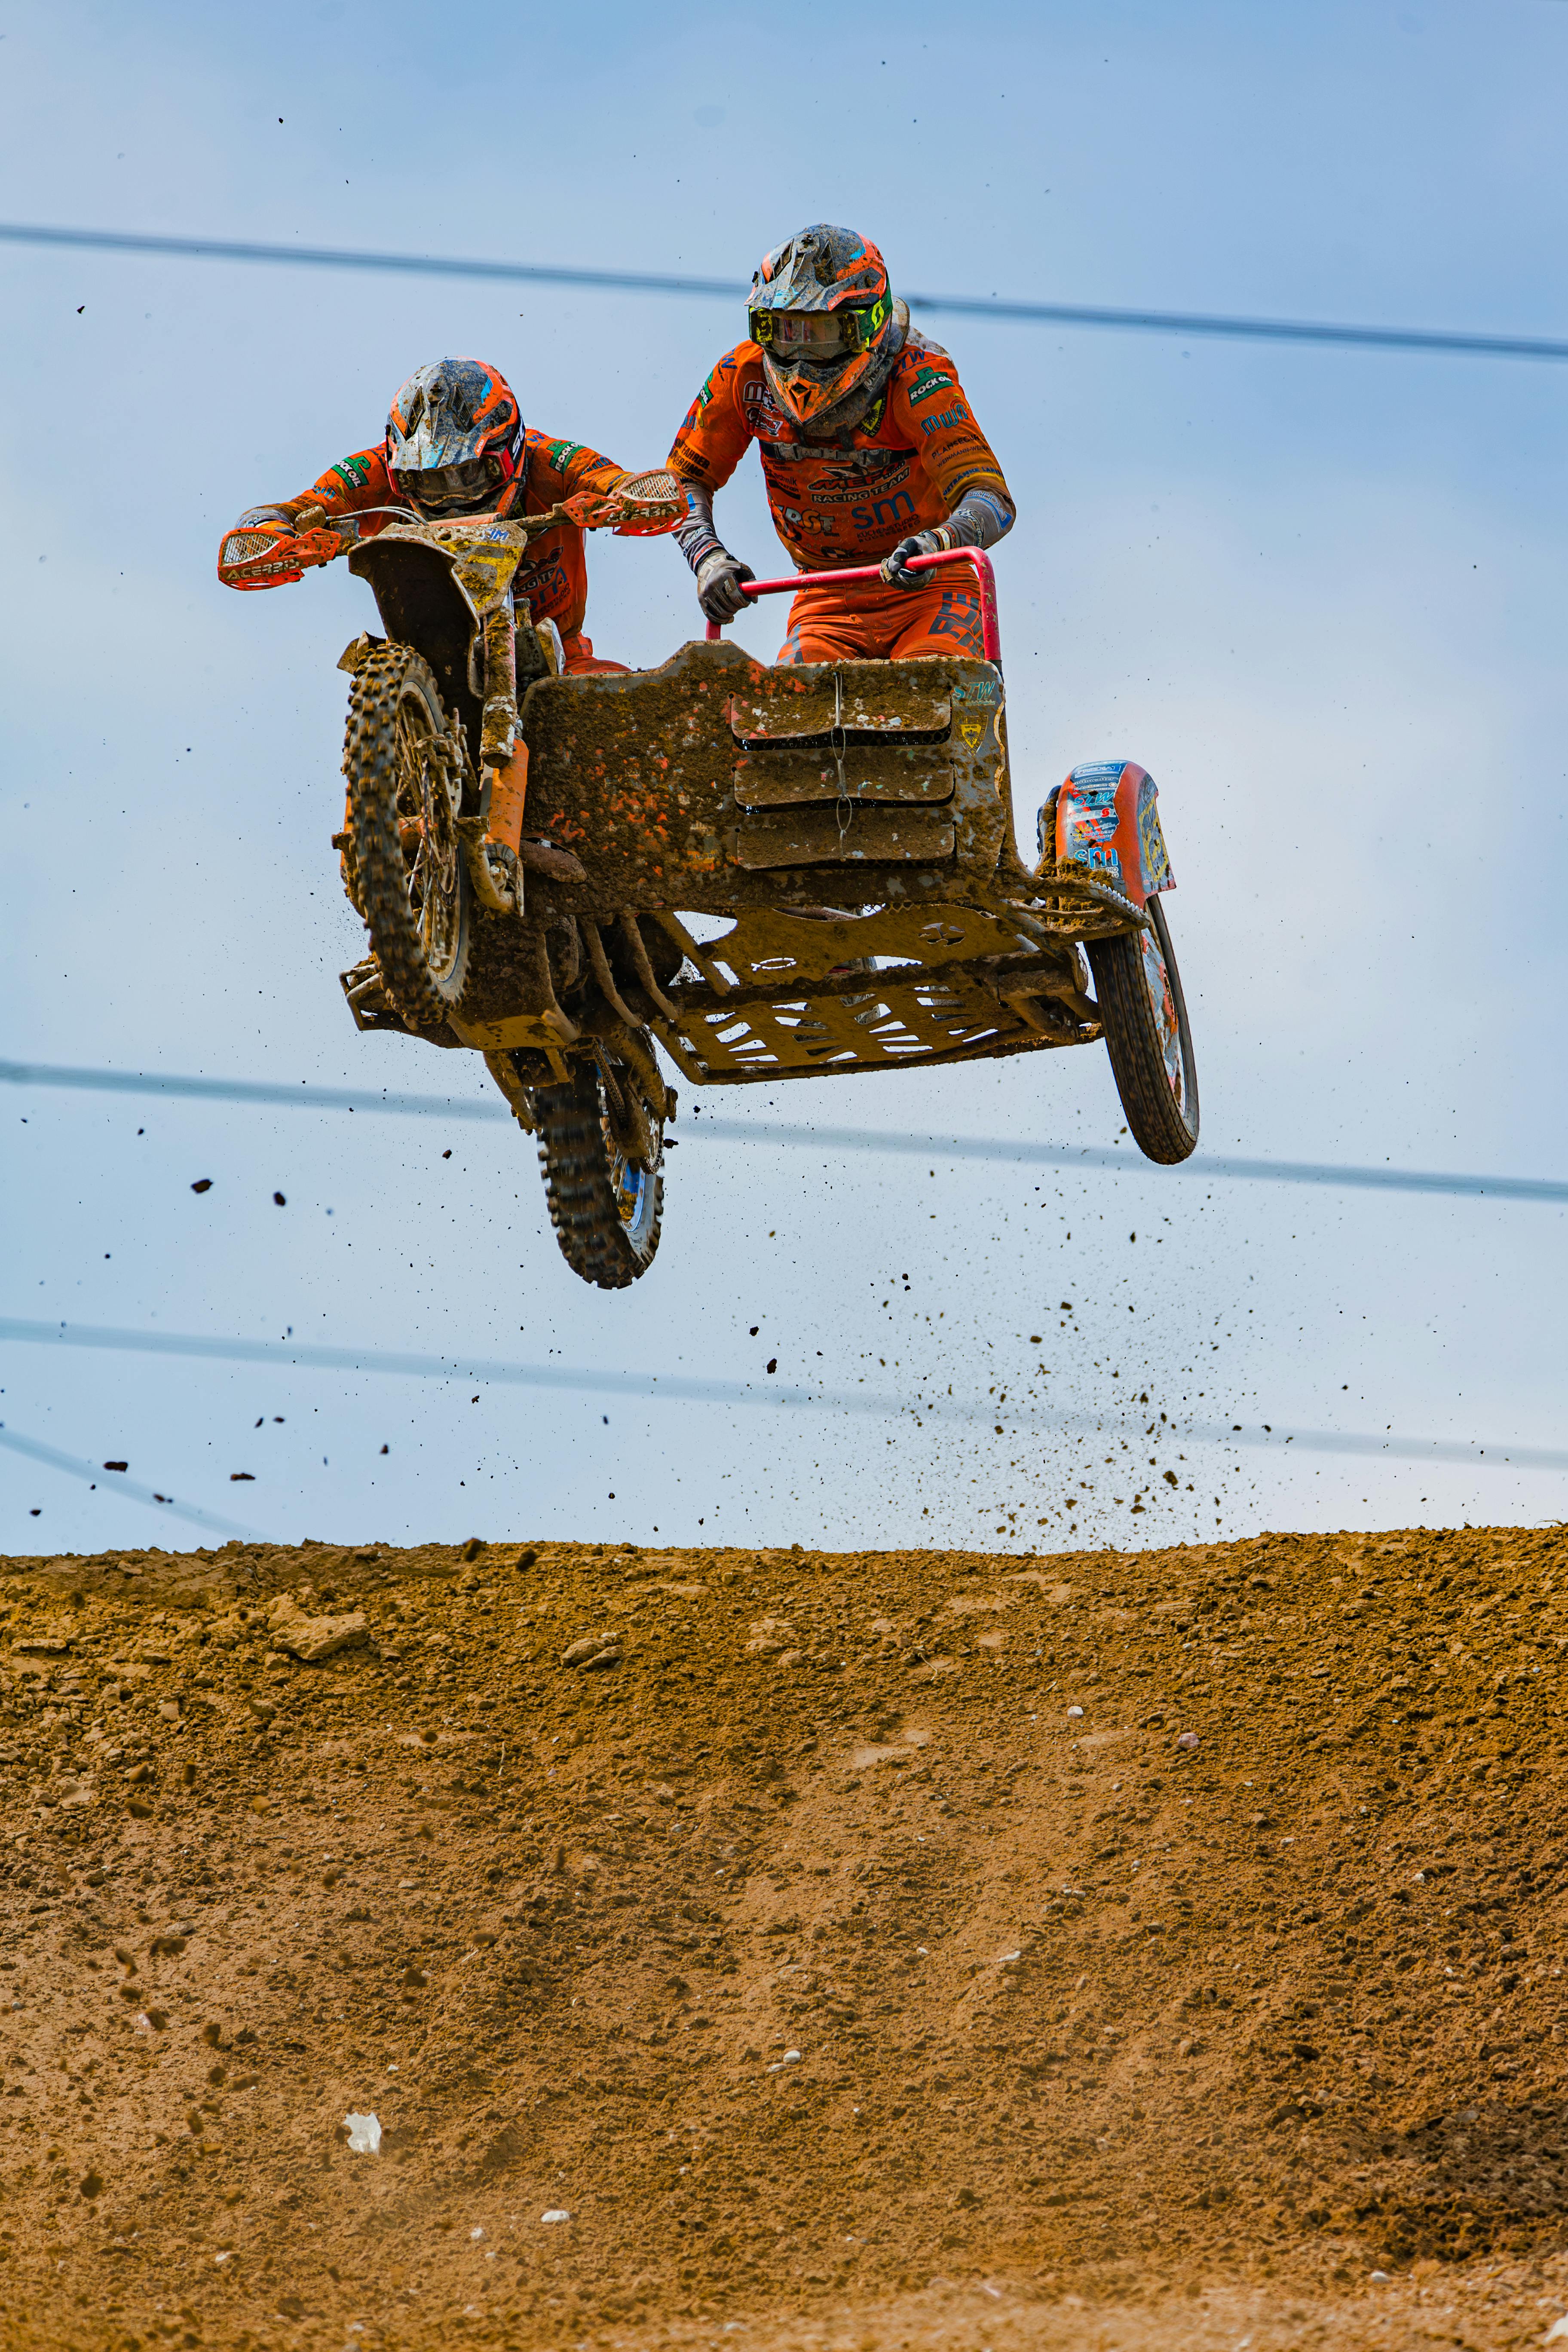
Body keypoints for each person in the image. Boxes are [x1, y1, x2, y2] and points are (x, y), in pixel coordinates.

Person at [666, 224, 1014, 666]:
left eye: (823, 332)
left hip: (932, 586)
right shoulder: (743, 374)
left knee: (931, 692)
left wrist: (938, 543)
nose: (801, 359)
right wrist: (708, 559)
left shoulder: (917, 375)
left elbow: (992, 499)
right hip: (824, 598)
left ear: (867, 324)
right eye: (785, 330)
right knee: (788, 718)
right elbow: (682, 481)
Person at [218, 356, 630, 674]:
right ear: (401, 470)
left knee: (618, 707)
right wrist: (269, 532)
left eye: (467, 473)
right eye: (430, 480)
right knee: (379, 689)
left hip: (558, 650)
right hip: (423, 655)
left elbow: (614, 480)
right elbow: (295, 509)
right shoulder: (374, 472)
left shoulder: (552, 461)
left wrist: (633, 498)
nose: (452, 499)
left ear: (509, 447)